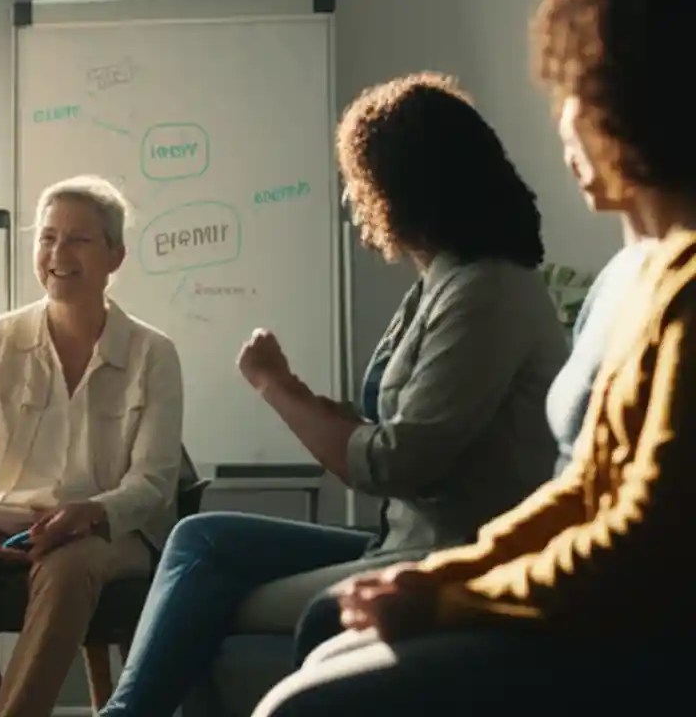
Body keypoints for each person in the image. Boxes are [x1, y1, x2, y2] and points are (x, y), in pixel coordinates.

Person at [255, 0, 696, 713]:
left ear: (634, 110)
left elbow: (638, 539)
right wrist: (448, 580)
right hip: (593, 608)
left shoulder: (678, 291)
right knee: (319, 642)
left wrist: (455, 596)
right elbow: (582, 489)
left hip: (647, 639)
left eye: (576, 96)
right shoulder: (648, 278)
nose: (562, 123)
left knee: (299, 705)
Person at [101, 72, 569, 717]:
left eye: (359, 179)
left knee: (200, 603)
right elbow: (379, 428)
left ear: (402, 185)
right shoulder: (439, 281)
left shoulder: (486, 293)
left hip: (450, 550)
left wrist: (275, 386)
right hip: (397, 538)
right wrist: (300, 394)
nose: (351, 199)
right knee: (201, 539)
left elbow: (395, 461)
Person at [0, 174, 184, 717]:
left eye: (78, 239)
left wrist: (89, 512)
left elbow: (153, 483)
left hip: (105, 533)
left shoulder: (153, 354)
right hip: (5, 524)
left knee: (70, 564)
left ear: (115, 255)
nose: (57, 253)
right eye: (47, 237)